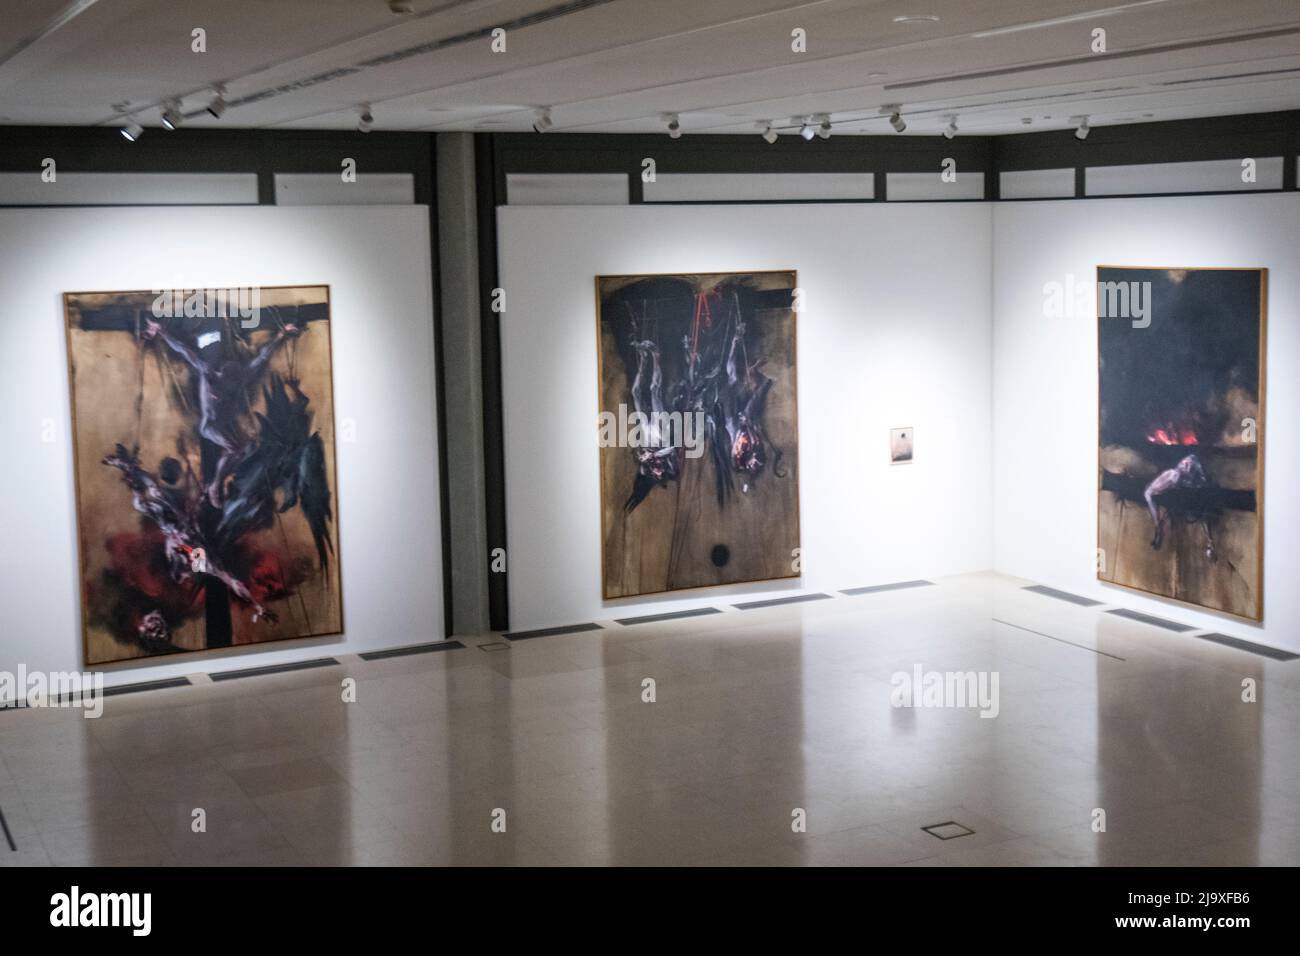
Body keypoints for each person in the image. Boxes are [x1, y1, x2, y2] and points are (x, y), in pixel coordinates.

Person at [143, 318, 301, 507]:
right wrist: (162, 332)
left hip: (223, 424)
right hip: (209, 426)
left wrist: (281, 335)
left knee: (240, 451)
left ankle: (217, 482)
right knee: (235, 449)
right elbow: (183, 350)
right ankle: (215, 486)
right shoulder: (207, 370)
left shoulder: (238, 374)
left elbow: (262, 357)